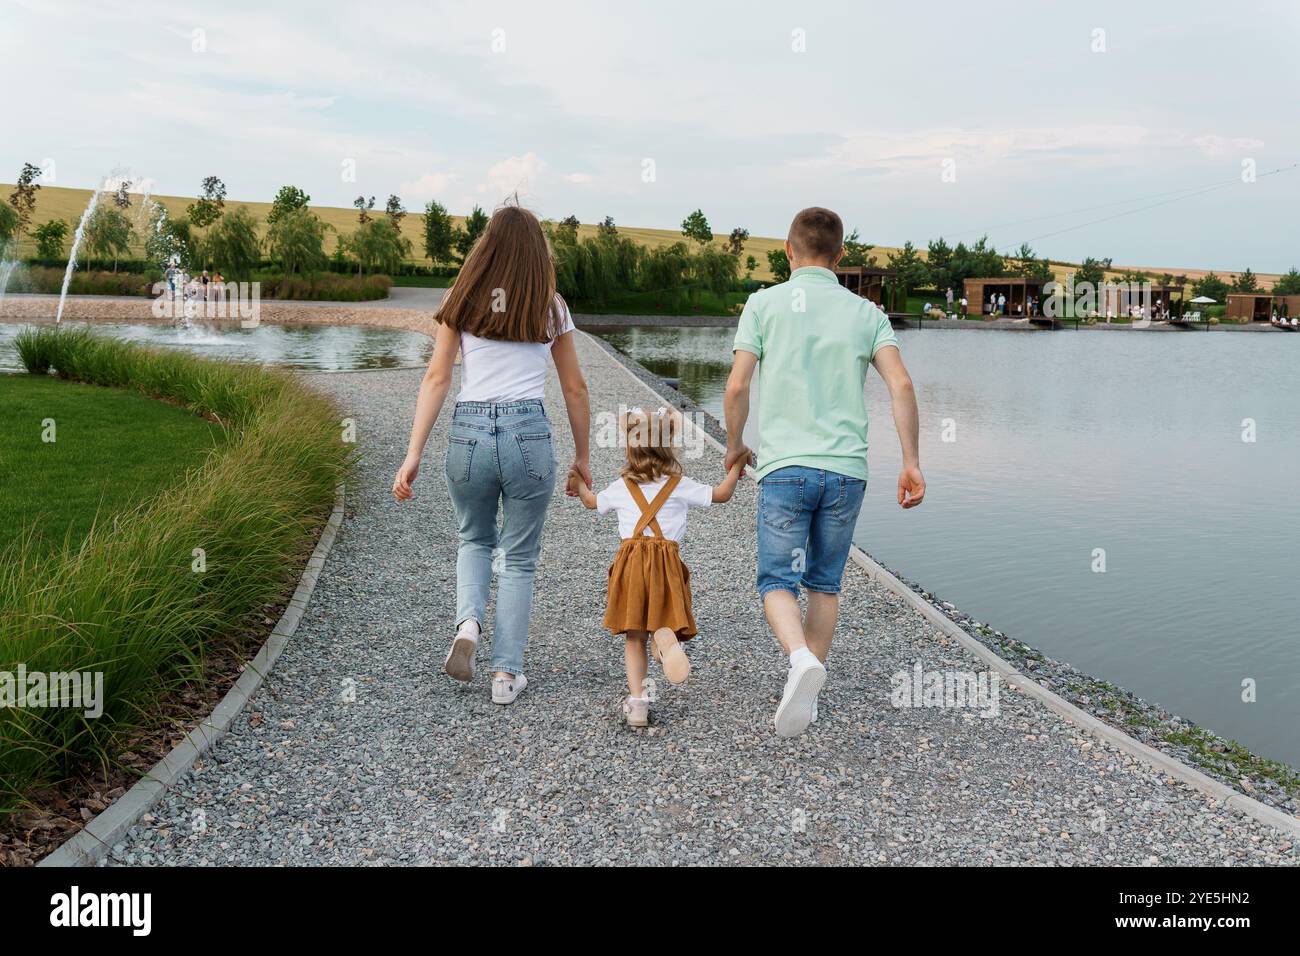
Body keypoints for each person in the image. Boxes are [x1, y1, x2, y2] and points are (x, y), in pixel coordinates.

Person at [723, 207, 925, 738]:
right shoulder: (865, 313)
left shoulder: (763, 305)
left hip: (785, 467)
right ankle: (807, 693)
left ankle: (799, 662)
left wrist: (734, 445)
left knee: (775, 580)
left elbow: (737, 387)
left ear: (788, 251)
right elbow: (901, 386)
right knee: (825, 583)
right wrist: (910, 461)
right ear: (839, 257)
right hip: (845, 472)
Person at [393, 204, 592, 705]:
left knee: (474, 540)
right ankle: (506, 676)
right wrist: (583, 456)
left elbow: (436, 378)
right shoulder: (551, 306)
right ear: (536, 253)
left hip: (469, 433)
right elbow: (574, 389)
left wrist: (413, 452)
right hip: (528, 432)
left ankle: (467, 626)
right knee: (519, 557)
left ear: (485, 248)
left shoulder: (461, 300)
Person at [567, 407, 744, 726]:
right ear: (669, 446)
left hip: (631, 565)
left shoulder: (621, 487)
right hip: (666, 565)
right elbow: (722, 494)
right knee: (662, 619)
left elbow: (592, 502)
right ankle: (665, 643)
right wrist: (737, 467)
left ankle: (638, 704)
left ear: (630, 448)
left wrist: (578, 483)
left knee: (634, 636)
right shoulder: (679, 484)